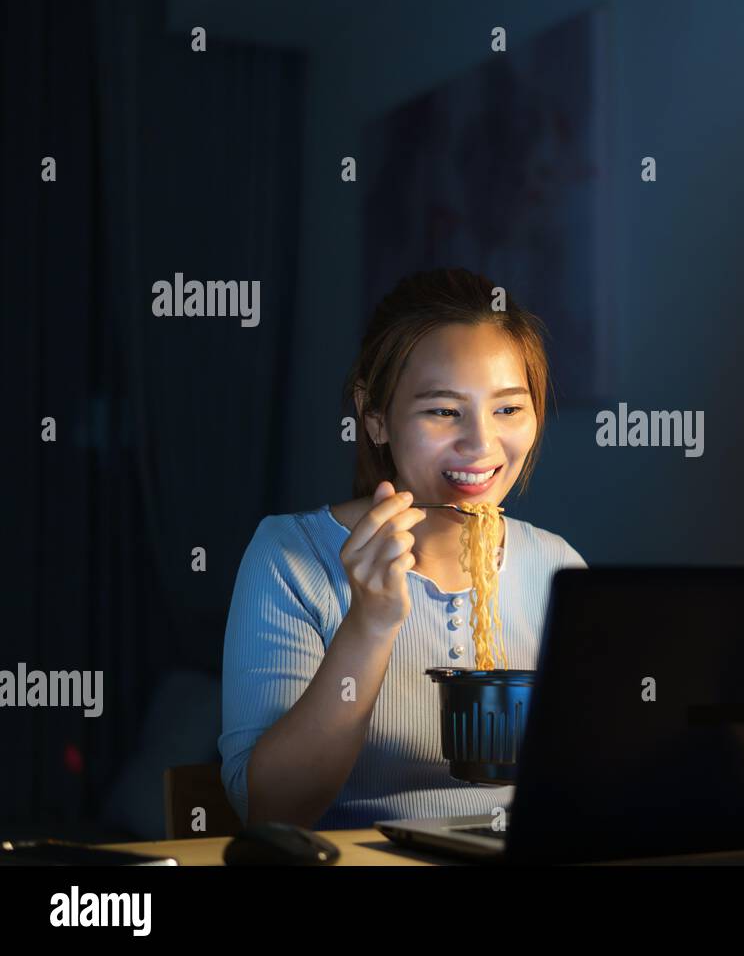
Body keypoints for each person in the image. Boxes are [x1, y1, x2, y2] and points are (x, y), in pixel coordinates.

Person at [218, 268, 586, 829]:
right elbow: (270, 808)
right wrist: (370, 622)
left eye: (508, 409)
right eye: (443, 410)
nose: (481, 443)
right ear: (375, 415)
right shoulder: (291, 556)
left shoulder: (558, 565)